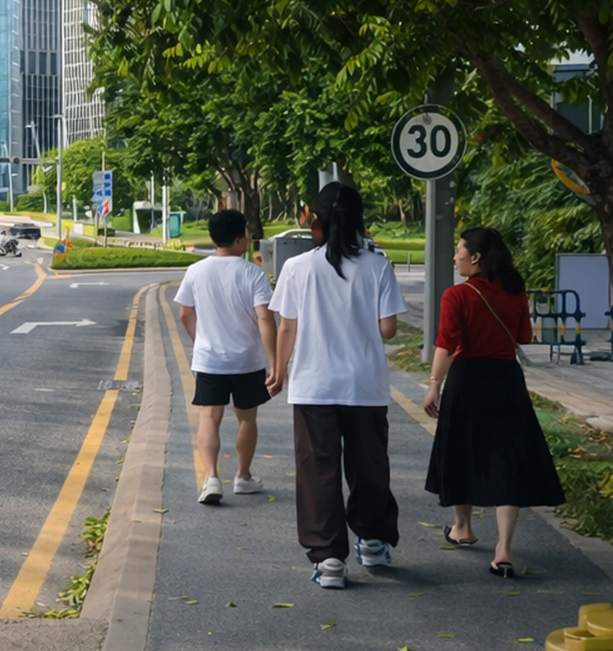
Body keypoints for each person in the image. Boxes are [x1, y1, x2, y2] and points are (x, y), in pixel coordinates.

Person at [270, 182, 408, 589]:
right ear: (359, 222)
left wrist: (279, 371)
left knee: (317, 471)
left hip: (313, 385)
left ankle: (328, 559)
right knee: (369, 466)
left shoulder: (297, 268)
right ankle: (371, 539)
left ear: (317, 222)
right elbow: (388, 330)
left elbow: (287, 328)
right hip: (364, 385)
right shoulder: (378, 266)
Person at [423, 226, 565, 578]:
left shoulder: (456, 296)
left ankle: (463, 528)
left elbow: (446, 344)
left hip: (467, 380)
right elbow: (523, 337)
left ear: (475, 258)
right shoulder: (515, 292)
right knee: (507, 459)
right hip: (505, 380)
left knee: (461, 449)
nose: (455, 255)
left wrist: (433, 386)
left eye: (459, 249)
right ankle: (503, 550)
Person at [175, 209, 278, 505]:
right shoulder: (253, 274)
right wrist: (273, 361)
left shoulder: (196, 271)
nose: (248, 236)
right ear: (238, 238)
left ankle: (210, 478)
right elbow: (265, 320)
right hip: (248, 361)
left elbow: (185, 313)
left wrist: (200, 341)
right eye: (246, 232)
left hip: (209, 360)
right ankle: (243, 477)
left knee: (209, 416)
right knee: (247, 419)